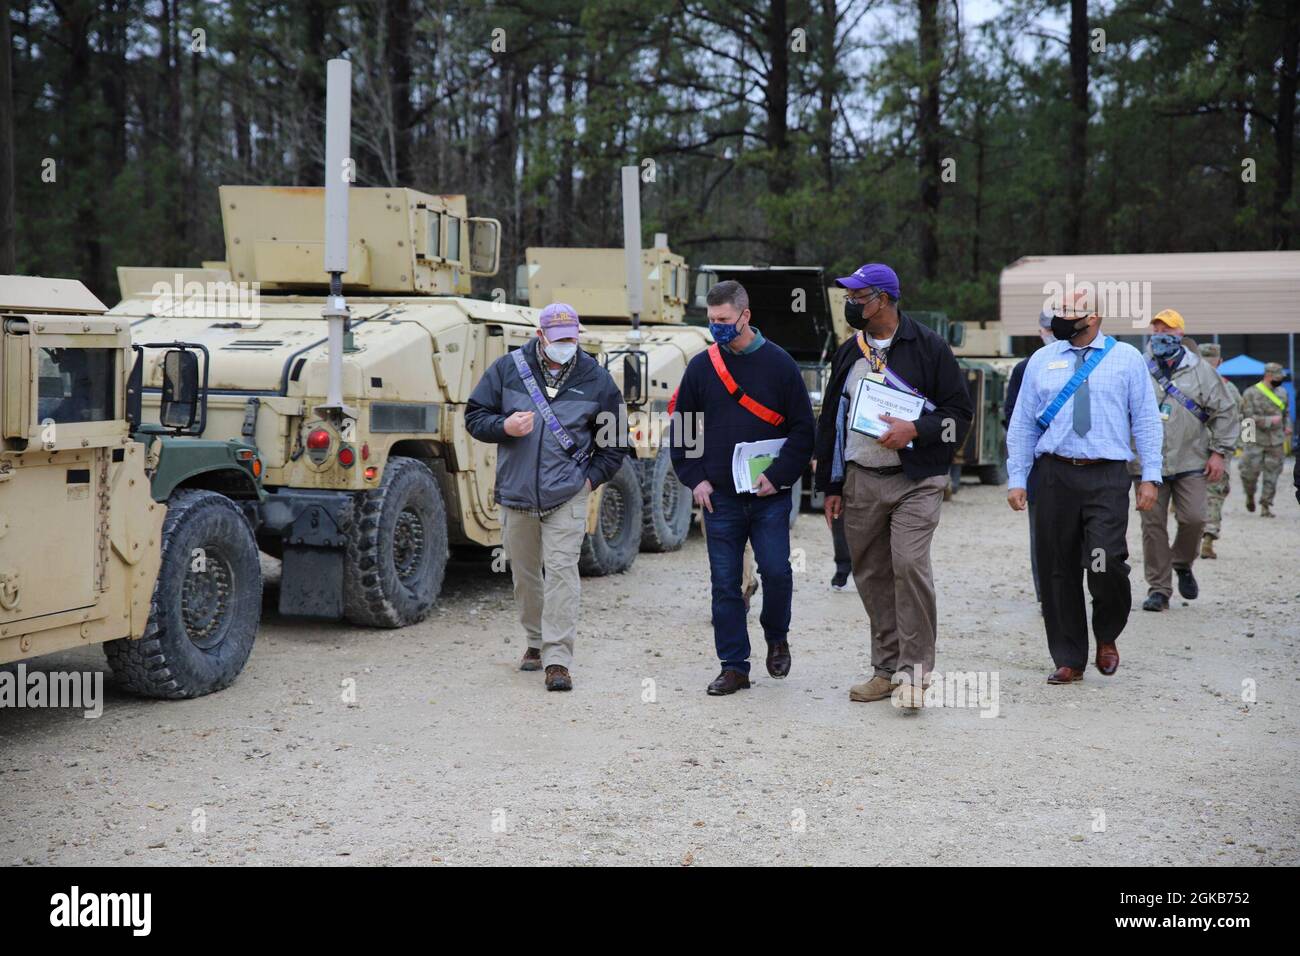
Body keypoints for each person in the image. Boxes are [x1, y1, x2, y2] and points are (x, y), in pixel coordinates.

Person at [813, 264, 972, 711]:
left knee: (909, 564)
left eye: (857, 297)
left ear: (882, 299)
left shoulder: (929, 347)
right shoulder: (848, 352)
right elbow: (831, 420)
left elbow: (960, 414)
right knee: (871, 573)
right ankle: (885, 670)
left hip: (916, 480)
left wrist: (916, 430)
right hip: (862, 477)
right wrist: (830, 484)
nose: (849, 304)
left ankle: (915, 674)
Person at [465, 303, 629, 691]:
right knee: (525, 576)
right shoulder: (507, 369)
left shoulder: (598, 379)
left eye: (571, 338)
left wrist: (589, 481)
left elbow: (616, 441)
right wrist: (503, 425)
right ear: (540, 336)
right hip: (516, 492)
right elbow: (474, 416)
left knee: (561, 573)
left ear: (579, 334)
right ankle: (534, 643)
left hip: (568, 494)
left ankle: (558, 658)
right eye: (557, 340)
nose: (565, 345)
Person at [1005, 289, 1163, 684]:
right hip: (1054, 475)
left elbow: (1145, 420)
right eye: (1055, 312)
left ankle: (1107, 633)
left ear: (1094, 317)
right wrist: (1017, 477)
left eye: (1067, 313)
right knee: (1057, 568)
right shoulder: (1041, 361)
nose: (1058, 319)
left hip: (1106, 475)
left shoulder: (1127, 359)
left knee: (1104, 559)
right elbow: (1023, 423)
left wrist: (1150, 476)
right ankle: (1069, 657)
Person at [670, 280, 815, 696]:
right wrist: (694, 478)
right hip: (719, 497)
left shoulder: (780, 365)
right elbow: (684, 431)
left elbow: (804, 429)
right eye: (711, 321)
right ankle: (734, 666)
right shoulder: (701, 367)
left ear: (745, 316)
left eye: (724, 320)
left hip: (769, 495)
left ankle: (777, 636)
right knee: (725, 583)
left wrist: (780, 474)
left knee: (776, 571)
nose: (717, 327)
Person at [1134, 311, 1239, 611]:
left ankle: (1181, 562)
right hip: (1147, 463)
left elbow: (1226, 412)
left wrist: (1220, 452)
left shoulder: (1201, 370)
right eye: (1155, 326)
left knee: (1194, 519)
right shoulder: (1138, 366)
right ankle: (1159, 589)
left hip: (1191, 458)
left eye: (1166, 327)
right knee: (1153, 526)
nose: (1159, 332)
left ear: (1181, 333)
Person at [1004, 310, 1058, 604]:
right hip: (1040, 465)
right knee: (1042, 535)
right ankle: (1045, 596)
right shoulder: (1026, 368)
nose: (1052, 332)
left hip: (1078, 464)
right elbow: (1012, 418)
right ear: (1040, 331)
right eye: (1048, 328)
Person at [1197, 343, 1242, 559]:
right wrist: (1240, 445)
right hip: (1220, 450)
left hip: (1192, 449)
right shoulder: (1229, 389)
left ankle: (1192, 536)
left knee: (1191, 492)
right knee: (1215, 494)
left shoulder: (1187, 384)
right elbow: (1239, 419)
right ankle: (1208, 536)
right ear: (1220, 361)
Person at [1240, 362, 1291, 518]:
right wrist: (1270, 421)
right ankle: (1250, 496)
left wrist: (1287, 426)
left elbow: (1285, 413)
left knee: (1272, 474)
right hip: (1254, 439)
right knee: (1249, 474)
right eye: (1277, 377)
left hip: (1275, 440)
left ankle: (1266, 505)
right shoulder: (1251, 393)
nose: (1280, 380)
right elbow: (1247, 418)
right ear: (1268, 376)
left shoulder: (1282, 392)